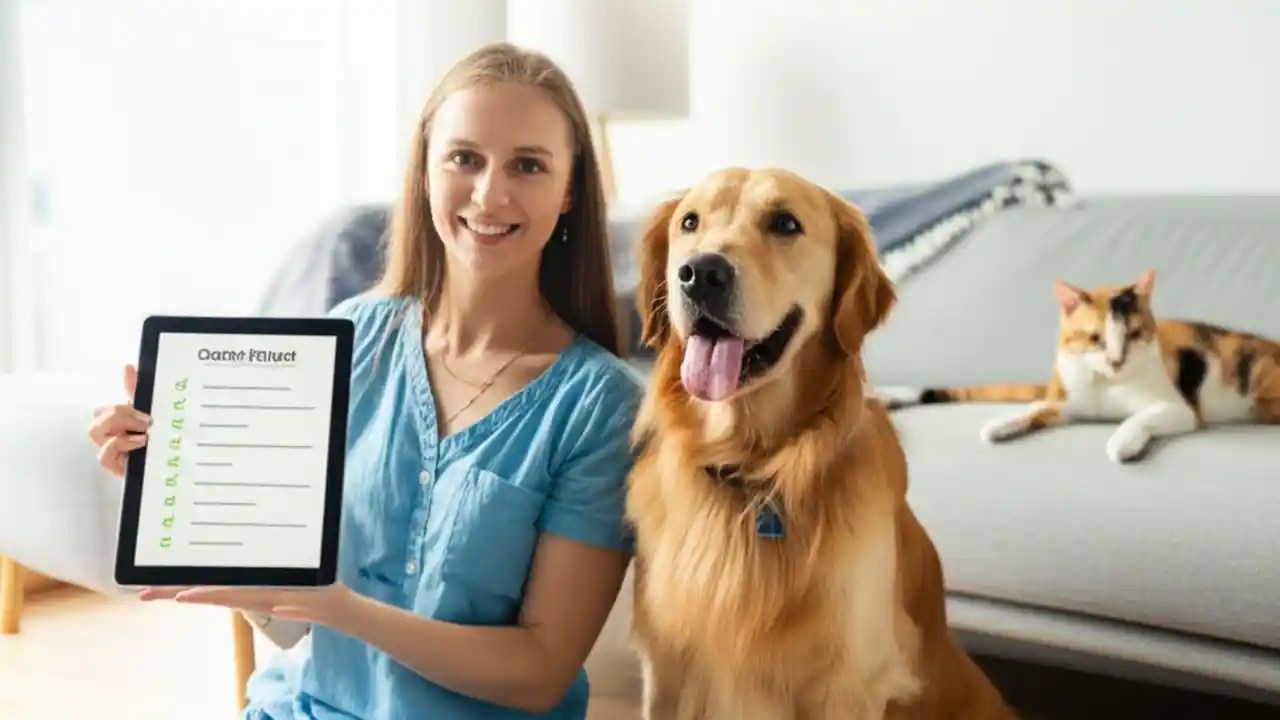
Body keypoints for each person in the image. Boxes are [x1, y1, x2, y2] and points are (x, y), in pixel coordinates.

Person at [86, 41, 643, 719]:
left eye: (527, 165)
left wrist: (346, 610)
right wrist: (173, 482)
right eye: (464, 158)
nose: (489, 193)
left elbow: (538, 675)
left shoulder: (601, 406)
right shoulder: (353, 338)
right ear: (426, 171)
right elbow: (293, 623)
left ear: (568, 193)